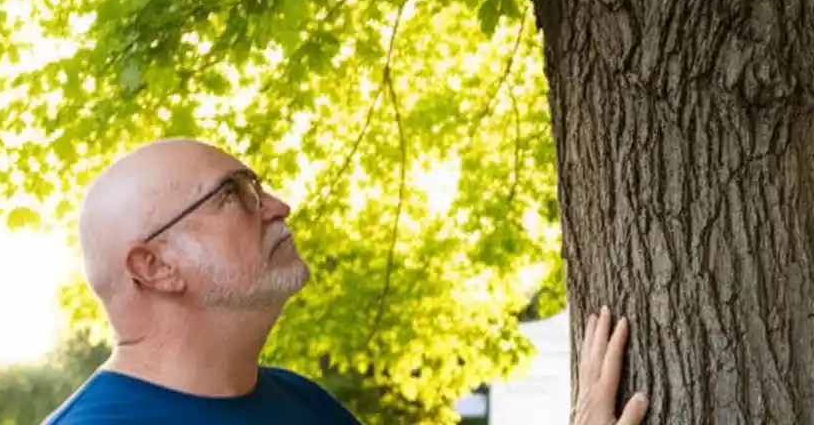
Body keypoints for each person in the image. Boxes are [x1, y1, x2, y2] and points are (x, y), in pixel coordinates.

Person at [42, 138, 649, 424]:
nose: (277, 205)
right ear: (156, 267)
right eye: (233, 194)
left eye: (258, 184)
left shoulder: (304, 405)